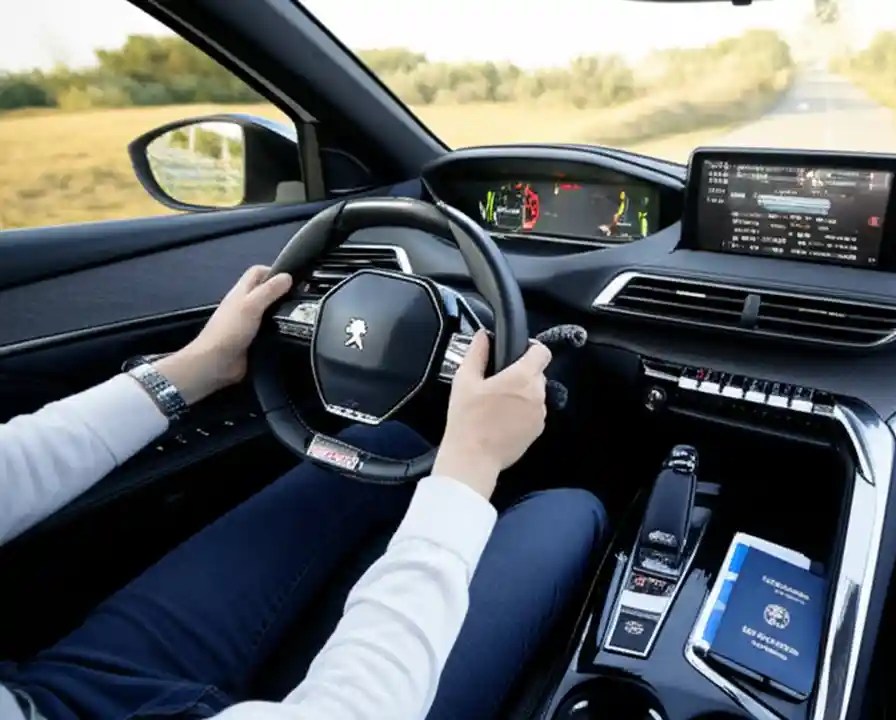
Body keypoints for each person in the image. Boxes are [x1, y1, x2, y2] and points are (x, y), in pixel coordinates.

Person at [0, 266, 607, 720]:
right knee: (570, 509)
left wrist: (199, 365)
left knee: (390, 440)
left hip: (47, 696)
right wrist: (471, 461)